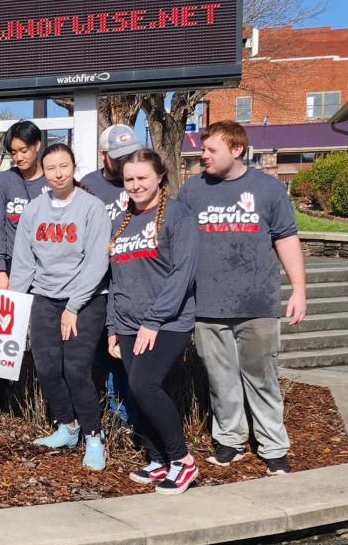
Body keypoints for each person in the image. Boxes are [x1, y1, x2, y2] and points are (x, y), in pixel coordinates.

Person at [177, 119, 307, 475]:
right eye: (203, 149)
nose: (202, 155)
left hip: (257, 304)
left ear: (237, 149)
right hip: (207, 305)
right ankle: (230, 440)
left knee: (262, 378)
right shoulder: (192, 190)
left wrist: (298, 289)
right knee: (220, 380)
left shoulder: (268, 190)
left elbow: (286, 239)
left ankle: (274, 447)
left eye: (210, 150)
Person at [9, 142, 110, 469]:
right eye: (51, 168)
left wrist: (74, 307)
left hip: (86, 299)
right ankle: (68, 426)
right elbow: (23, 262)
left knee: (76, 369)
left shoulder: (92, 208)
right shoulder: (33, 210)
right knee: (47, 368)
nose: (58, 173)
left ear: (74, 166)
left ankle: (94, 435)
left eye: (63, 166)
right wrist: (14, 303)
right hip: (45, 297)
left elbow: (97, 263)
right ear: (44, 169)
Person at [107, 149, 199, 495]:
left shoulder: (178, 216)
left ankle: (183, 460)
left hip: (168, 322)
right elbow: (115, 279)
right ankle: (158, 459)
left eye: (142, 177)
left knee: (145, 384)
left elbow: (183, 274)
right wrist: (112, 328)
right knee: (134, 388)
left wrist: (154, 320)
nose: (135, 185)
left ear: (160, 176)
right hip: (128, 323)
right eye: (129, 179)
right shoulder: (121, 220)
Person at [0, 119, 48, 429]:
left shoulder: (52, 182)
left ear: (37, 146)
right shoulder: (4, 182)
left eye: (23, 150)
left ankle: (51, 404)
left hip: (47, 275)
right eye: (13, 152)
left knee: (47, 341)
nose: (18, 157)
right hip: (13, 273)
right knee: (2, 337)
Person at [80, 122, 142, 419]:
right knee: (100, 350)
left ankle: (130, 415)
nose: (125, 163)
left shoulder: (141, 180)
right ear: (102, 154)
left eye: (130, 154)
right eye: (118, 157)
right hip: (97, 282)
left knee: (127, 352)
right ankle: (108, 411)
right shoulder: (88, 185)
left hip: (133, 280)